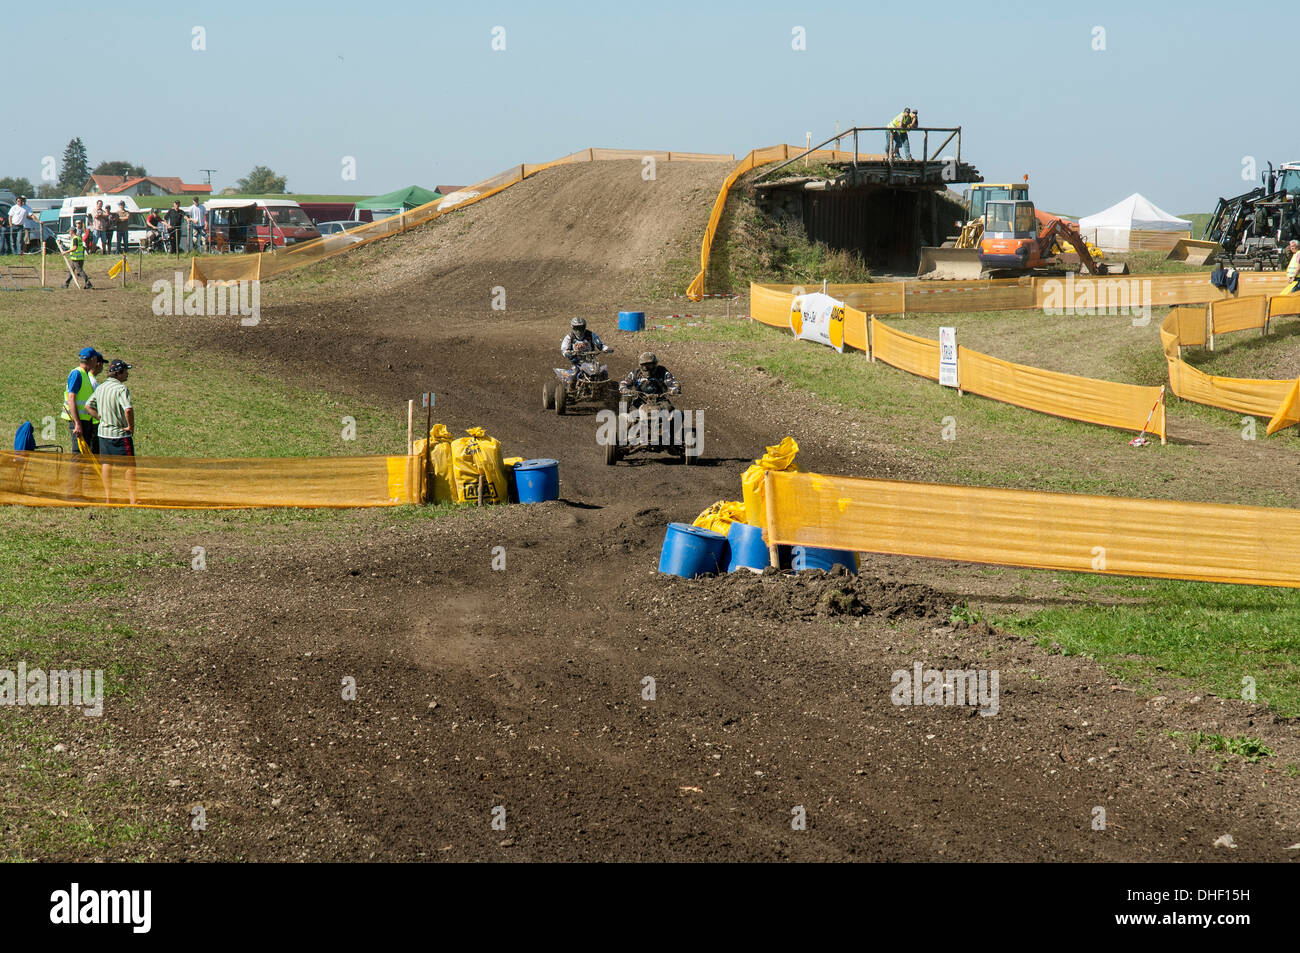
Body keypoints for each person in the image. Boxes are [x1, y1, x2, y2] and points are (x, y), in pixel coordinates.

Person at [85, 359, 136, 505]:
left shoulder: (101, 387)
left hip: (103, 434)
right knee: (129, 466)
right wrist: (130, 426)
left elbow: (88, 405)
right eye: (126, 371)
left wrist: (100, 418)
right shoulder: (121, 389)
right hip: (120, 434)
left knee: (107, 465)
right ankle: (133, 499)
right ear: (119, 373)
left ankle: (109, 498)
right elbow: (128, 409)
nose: (127, 374)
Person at [62, 347, 104, 454]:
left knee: (84, 453)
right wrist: (77, 423)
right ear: (92, 359)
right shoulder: (77, 373)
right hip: (78, 421)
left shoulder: (85, 374)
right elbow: (71, 398)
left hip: (85, 420)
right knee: (78, 453)